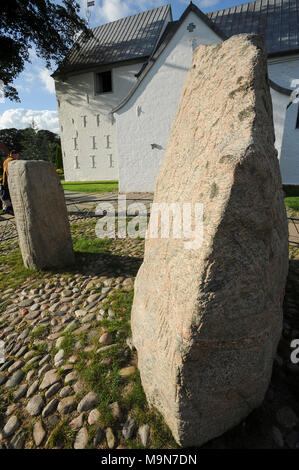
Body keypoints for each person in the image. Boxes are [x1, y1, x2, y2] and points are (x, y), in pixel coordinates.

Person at [0, 150, 19, 215]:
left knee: (5, 196)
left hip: (5, 181)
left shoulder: (6, 160)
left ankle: (6, 209)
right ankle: (8, 209)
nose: (17, 157)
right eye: (17, 155)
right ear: (13, 154)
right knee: (7, 197)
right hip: (8, 181)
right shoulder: (12, 161)